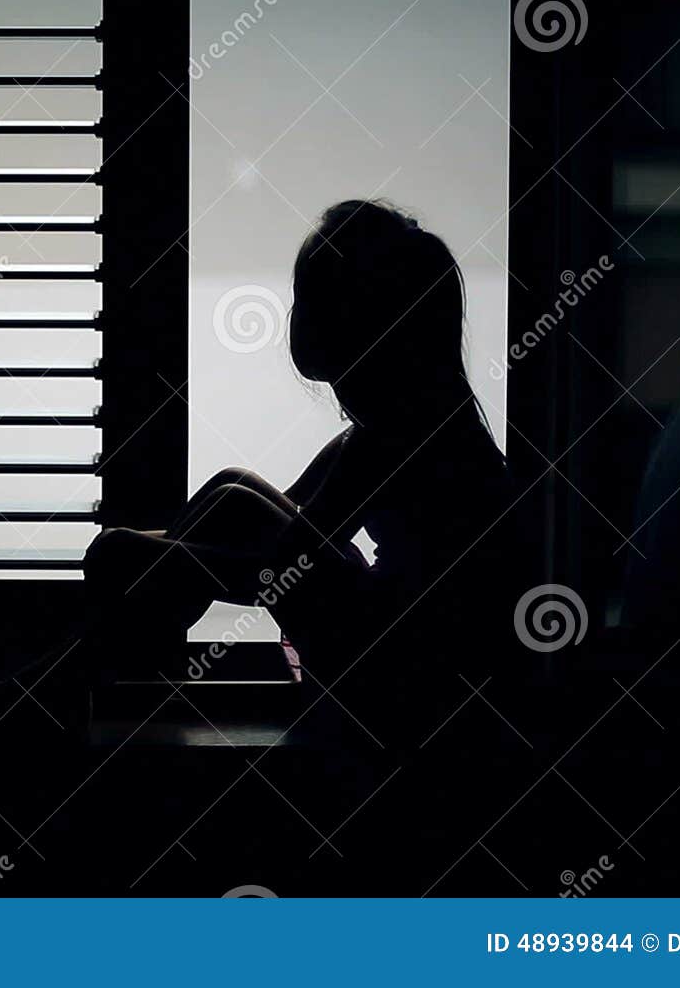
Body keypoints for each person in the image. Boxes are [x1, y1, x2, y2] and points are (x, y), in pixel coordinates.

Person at [82, 200, 518, 744]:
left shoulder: (396, 434)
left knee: (153, 540)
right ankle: (107, 664)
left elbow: (286, 562)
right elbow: (278, 528)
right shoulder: (409, 423)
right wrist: (162, 557)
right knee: (230, 491)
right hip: (406, 656)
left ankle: (95, 672)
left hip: (409, 678)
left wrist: (145, 558)